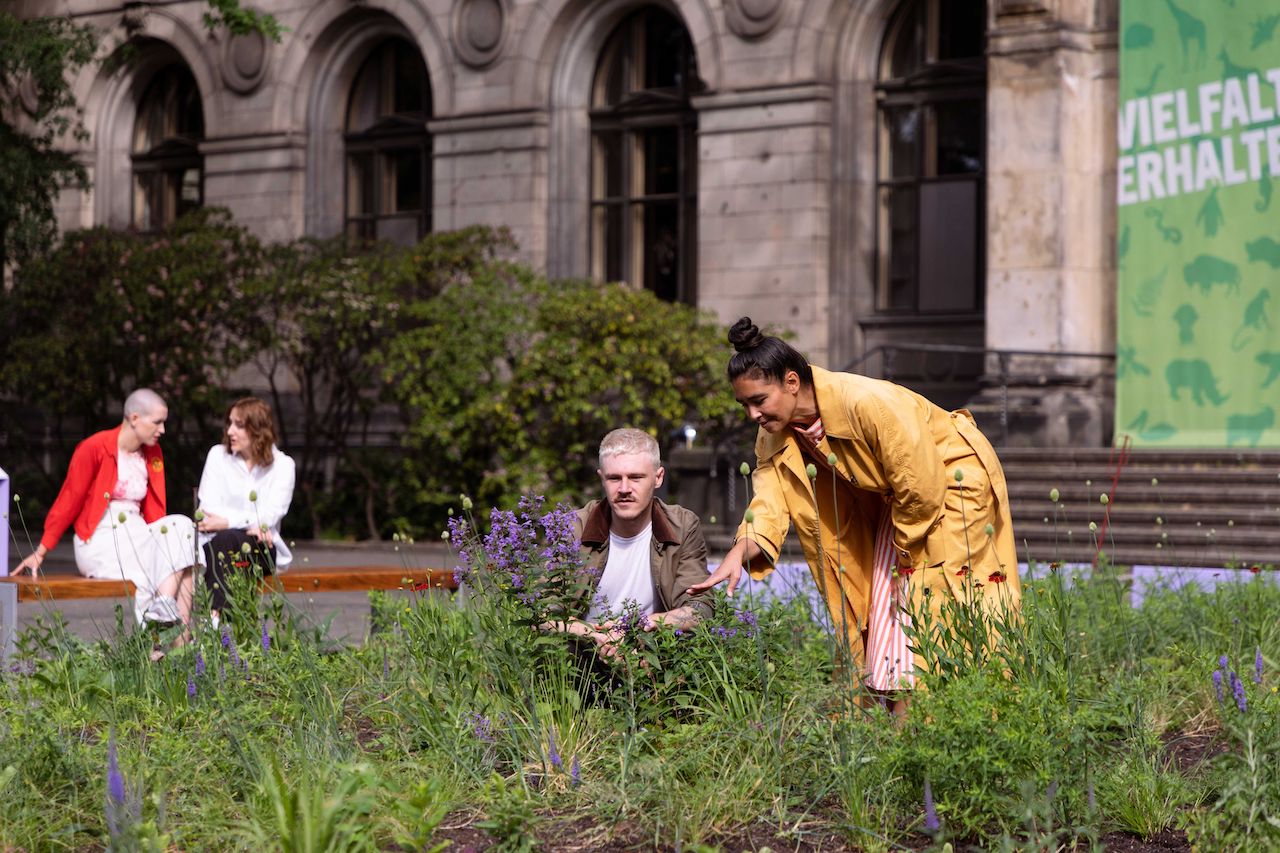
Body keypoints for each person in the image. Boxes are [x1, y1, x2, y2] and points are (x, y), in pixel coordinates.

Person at [689, 318, 1021, 708]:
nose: (752, 415)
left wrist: (903, 553)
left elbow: (922, 486)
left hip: (952, 483)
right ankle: (894, 722)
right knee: (882, 605)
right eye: (744, 404)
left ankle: (973, 711)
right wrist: (740, 549)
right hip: (899, 499)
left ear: (792, 382)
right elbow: (770, 498)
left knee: (941, 601)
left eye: (758, 400)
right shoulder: (772, 434)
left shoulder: (867, 402)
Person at [13, 389, 200, 627]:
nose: (162, 429)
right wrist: (41, 551)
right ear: (134, 418)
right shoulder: (94, 447)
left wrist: (165, 544)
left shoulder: (153, 452)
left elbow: (155, 509)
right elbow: (69, 499)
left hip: (137, 533)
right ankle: (162, 633)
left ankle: (168, 616)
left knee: (183, 529)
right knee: (173, 566)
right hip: (100, 538)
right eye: (157, 422)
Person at [546, 428, 713, 658]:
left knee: (692, 644)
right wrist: (593, 634)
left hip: (650, 652)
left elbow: (700, 608)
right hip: (582, 653)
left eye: (636, 477)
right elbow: (543, 609)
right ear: (602, 479)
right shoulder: (574, 527)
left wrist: (641, 626)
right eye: (614, 478)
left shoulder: (682, 526)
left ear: (658, 478)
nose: (624, 489)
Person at [196, 397, 295, 622]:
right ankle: (221, 624)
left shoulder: (283, 466)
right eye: (230, 423)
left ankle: (213, 625)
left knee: (227, 538)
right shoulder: (217, 456)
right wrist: (248, 522)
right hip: (216, 548)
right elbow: (208, 510)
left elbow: (270, 515)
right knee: (225, 541)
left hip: (261, 550)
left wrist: (227, 521)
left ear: (258, 430)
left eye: (239, 425)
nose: (230, 431)